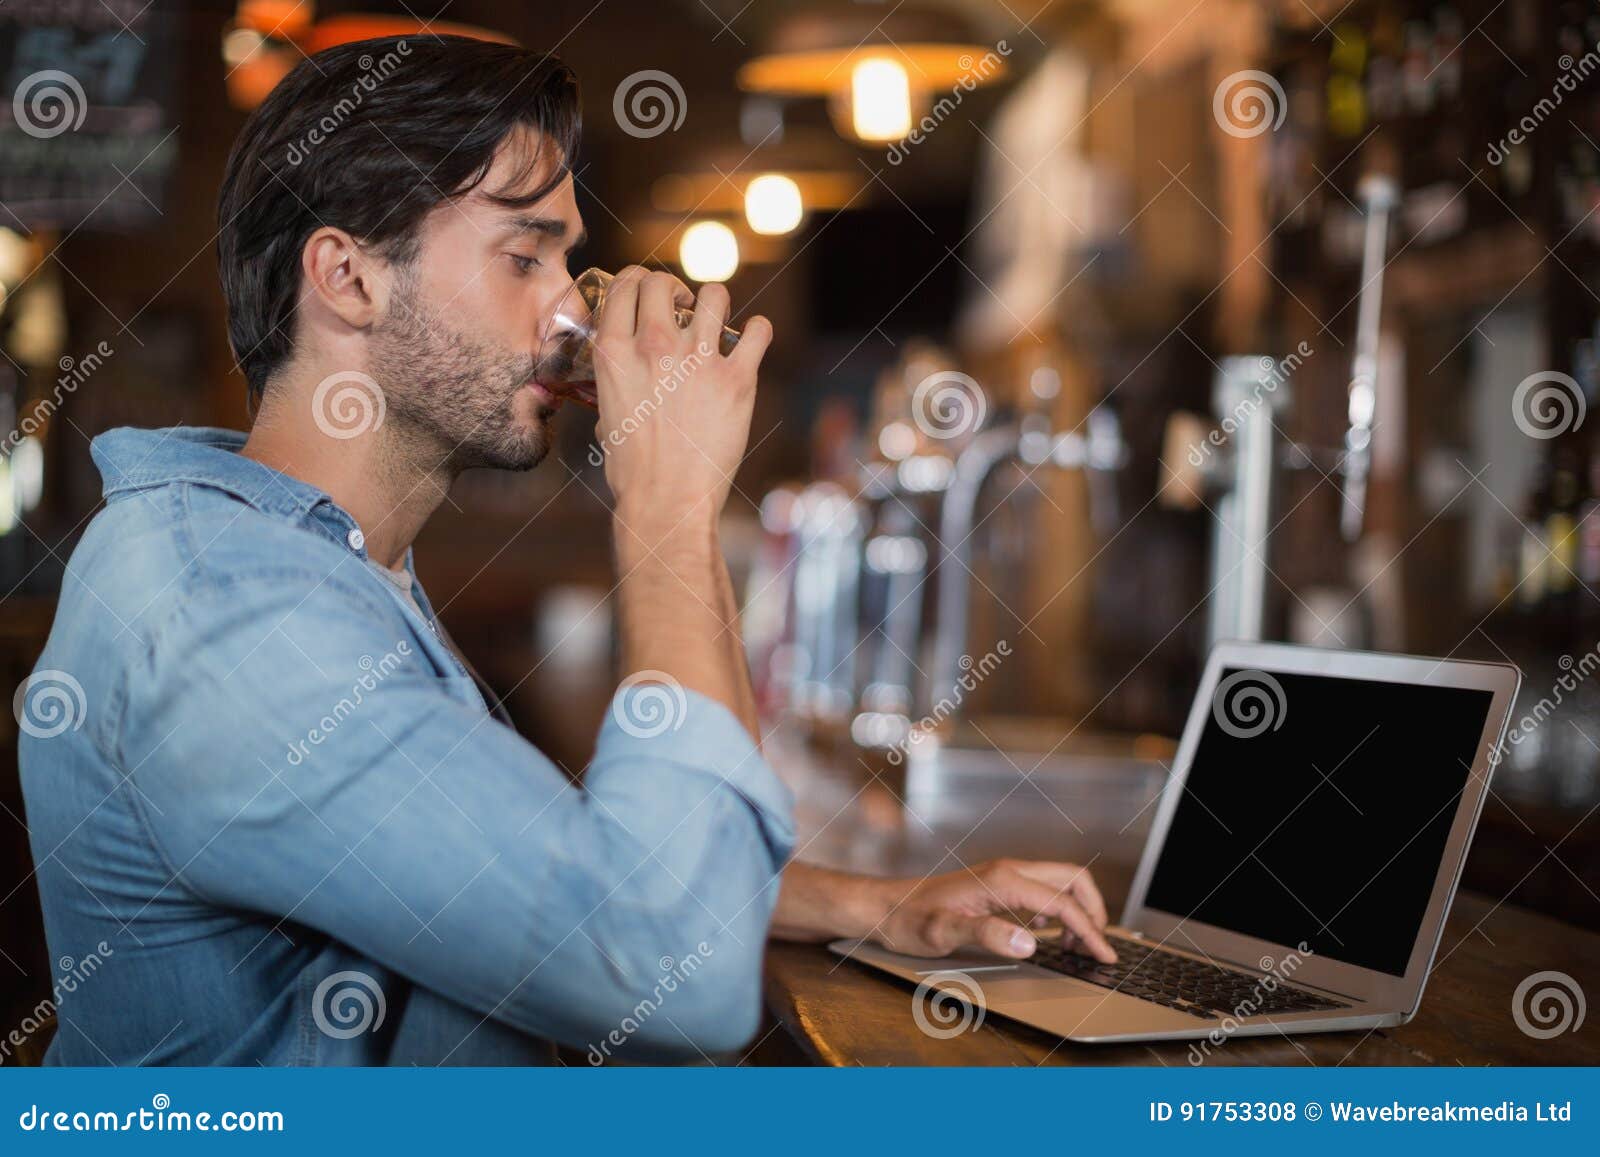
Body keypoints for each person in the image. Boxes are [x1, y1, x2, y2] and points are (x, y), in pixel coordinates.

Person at [18, 35, 1113, 1066]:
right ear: (349, 278)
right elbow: (670, 976)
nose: (563, 311)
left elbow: (529, 872)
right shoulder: (234, 614)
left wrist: (876, 904)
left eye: (565, 259)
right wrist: (669, 501)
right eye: (522, 254)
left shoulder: (301, 557)